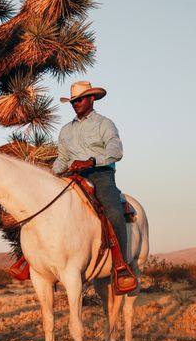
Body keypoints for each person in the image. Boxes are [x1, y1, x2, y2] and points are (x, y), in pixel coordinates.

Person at [52, 80, 137, 288]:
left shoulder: (104, 124)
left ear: (91, 98)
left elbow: (116, 150)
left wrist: (91, 161)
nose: (75, 103)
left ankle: (120, 264)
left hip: (100, 175)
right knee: (46, 205)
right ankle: (37, 260)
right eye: (73, 101)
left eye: (79, 99)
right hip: (72, 176)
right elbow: (62, 159)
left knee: (113, 210)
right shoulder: (65, 131)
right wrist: (48, 175)